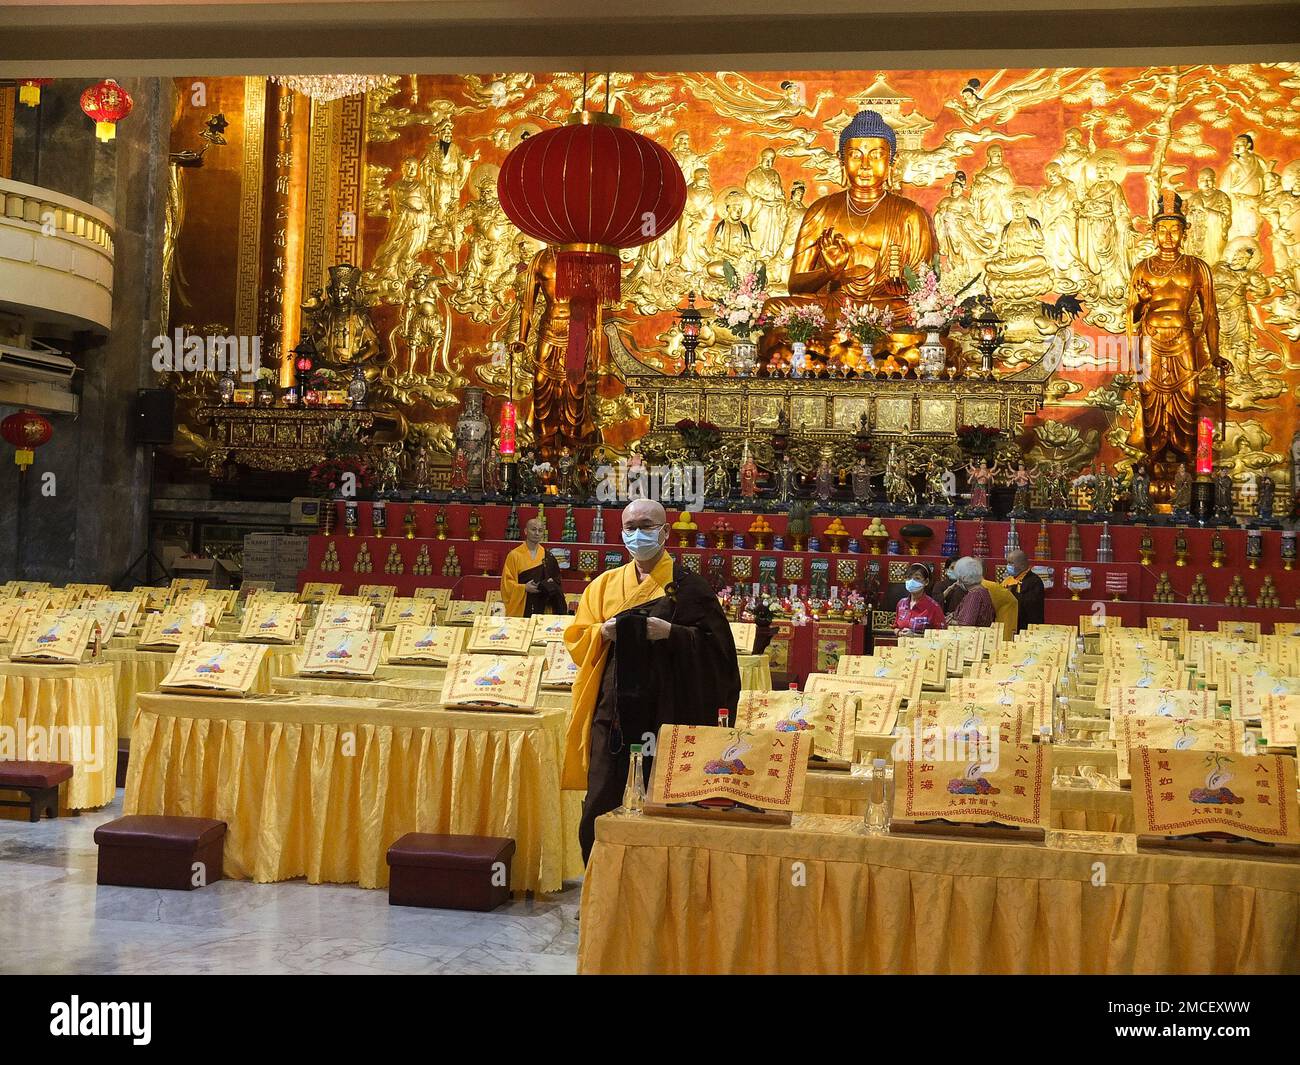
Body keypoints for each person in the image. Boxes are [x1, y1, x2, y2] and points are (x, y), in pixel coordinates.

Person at [564, 499, 740, 863]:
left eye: (646, 526)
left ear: (665, 532)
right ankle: (601, 882)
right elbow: (577, 640)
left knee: (664, 798)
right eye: (630, 527)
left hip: (670, 710)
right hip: (613, 713)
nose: (637, 534)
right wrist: (603, 632)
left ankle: (661, 885)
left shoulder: (690, 588)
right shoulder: (603, 586)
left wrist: (673, 633)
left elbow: (720, 655)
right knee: (601, 797)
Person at [500, 517, 567, 618]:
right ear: (526, 531)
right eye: (533, 529)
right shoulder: (514, 555)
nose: (537, 533)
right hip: (522, 607)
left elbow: (557, 581)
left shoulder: (548, 556)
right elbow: (507, 585)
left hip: (543, 605)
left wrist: (547, 585)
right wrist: (524, 588)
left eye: (540, 530)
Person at [894, 562, 945, 637]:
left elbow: (941, 634)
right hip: (902, 647)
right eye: (909, 577)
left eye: (917, 578)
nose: (912, 581)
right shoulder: (901, 603)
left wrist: (915, 636)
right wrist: (899, 632)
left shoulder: (934, 607)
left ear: (926, 582)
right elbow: (895, 626)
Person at [947, 556, 996, 628]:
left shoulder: (974, 595)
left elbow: (965, 624)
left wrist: (949, 621)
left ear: (963, 578)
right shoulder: (983, 590)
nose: (958, 582)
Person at [1002, 549, 1044, 632]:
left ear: (1022, 565)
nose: (1008, 566)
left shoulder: (1034, 581)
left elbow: (1031, 605)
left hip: (1026, 628)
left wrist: (1012, 593)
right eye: (1007, 563)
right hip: (1008, 624)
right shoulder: (1007, 580)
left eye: (1011, 563)